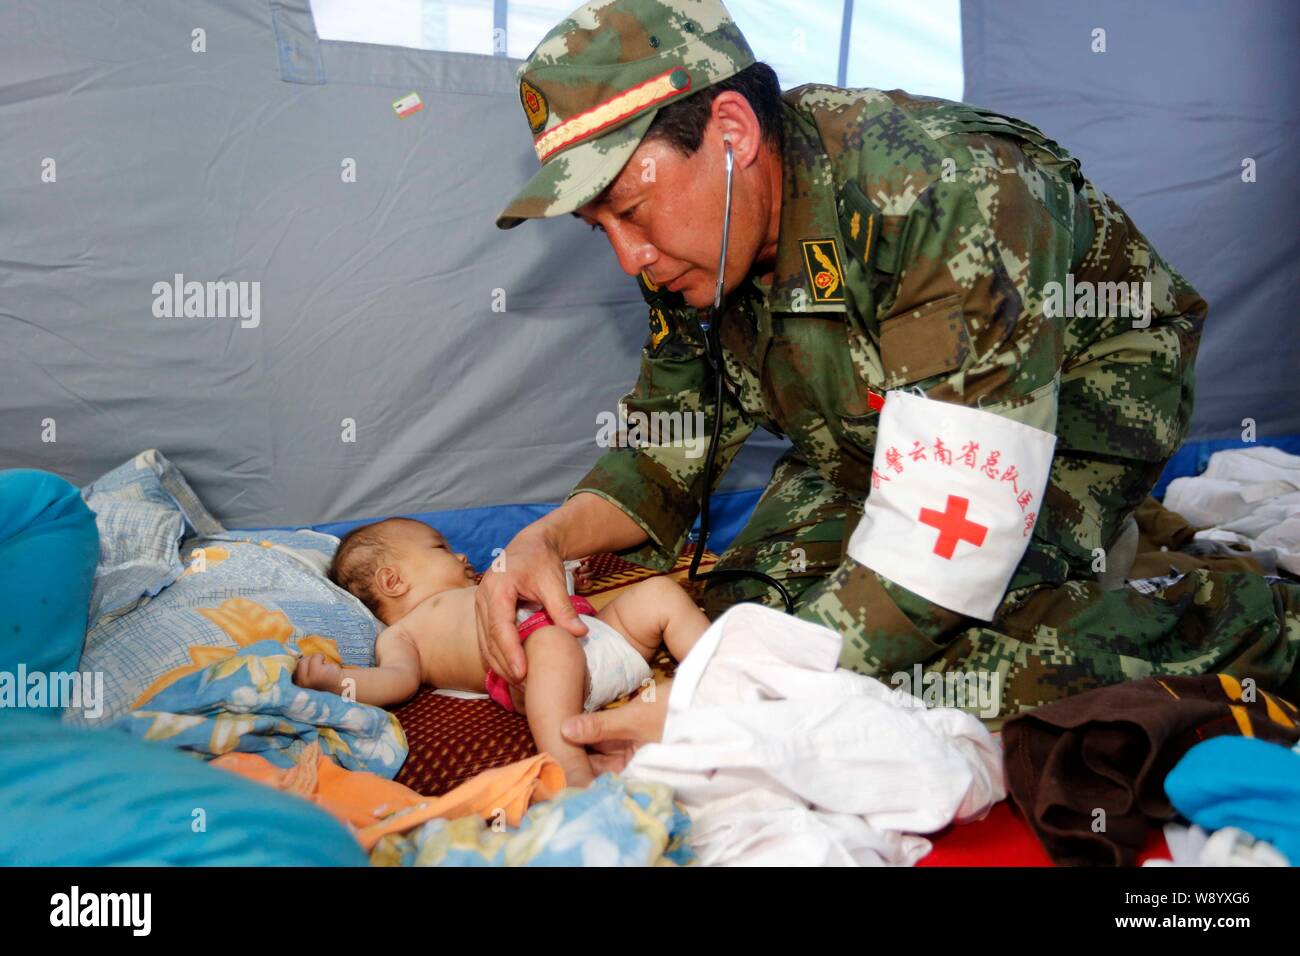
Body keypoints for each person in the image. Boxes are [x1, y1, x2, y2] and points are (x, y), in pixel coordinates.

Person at [480, 0, 1300, 764]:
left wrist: (746, 699)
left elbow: (949, 544)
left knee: (930, 679)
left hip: (1070, 399)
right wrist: (545, 540)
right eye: (601, 230)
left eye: (631, 209)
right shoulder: (689, 239)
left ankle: (1266, 623)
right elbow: (670, 439)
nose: (630, 258)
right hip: (877, 421)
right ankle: (1088, 555)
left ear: (731, 132)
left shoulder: (949, 188)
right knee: (739, 617)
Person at [297, 517, 709, 786]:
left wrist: (566, 578)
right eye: (440, 548)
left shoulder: (484, 586)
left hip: (595, 637)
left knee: (658, 593)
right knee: (549, 643)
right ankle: (572, 771)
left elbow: (541, 591)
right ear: (393, 581)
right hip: (533, 674)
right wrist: (336, 680)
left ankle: (721, 671)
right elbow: (395, 682)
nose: (460, 554)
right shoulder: (402, 634)